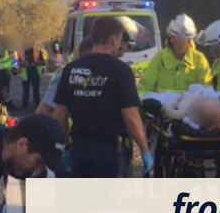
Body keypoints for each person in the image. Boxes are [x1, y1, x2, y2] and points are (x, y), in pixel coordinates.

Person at [53, 15, 153, 178]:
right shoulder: (120, 71)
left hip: (79, 150)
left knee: (82, 202)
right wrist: (144, 150)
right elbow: (131, 116)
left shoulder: (71, 69)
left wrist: (65, 146)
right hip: (109, 153)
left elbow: (60, 114)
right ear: (114, 40)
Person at [137, 14, 211, 97]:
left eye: (184, 40)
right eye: (178, 39)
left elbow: (207, 89)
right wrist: (147, 103)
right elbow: (144, 86)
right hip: (163, 108)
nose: (181, 43)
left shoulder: (199, 59)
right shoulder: (160, 58)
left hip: (191, 108)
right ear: (171, 39)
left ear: (189, 41)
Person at [20, 40, 47, 109]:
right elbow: (18, 62)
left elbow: (43, 62)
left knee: (36, 89)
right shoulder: (22, 51)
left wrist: (35, 63)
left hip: (34, 71)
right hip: (25, 72)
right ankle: (24, 105)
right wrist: (24, 64)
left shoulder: (37, 50)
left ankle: (37, 104)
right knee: (25, 89)